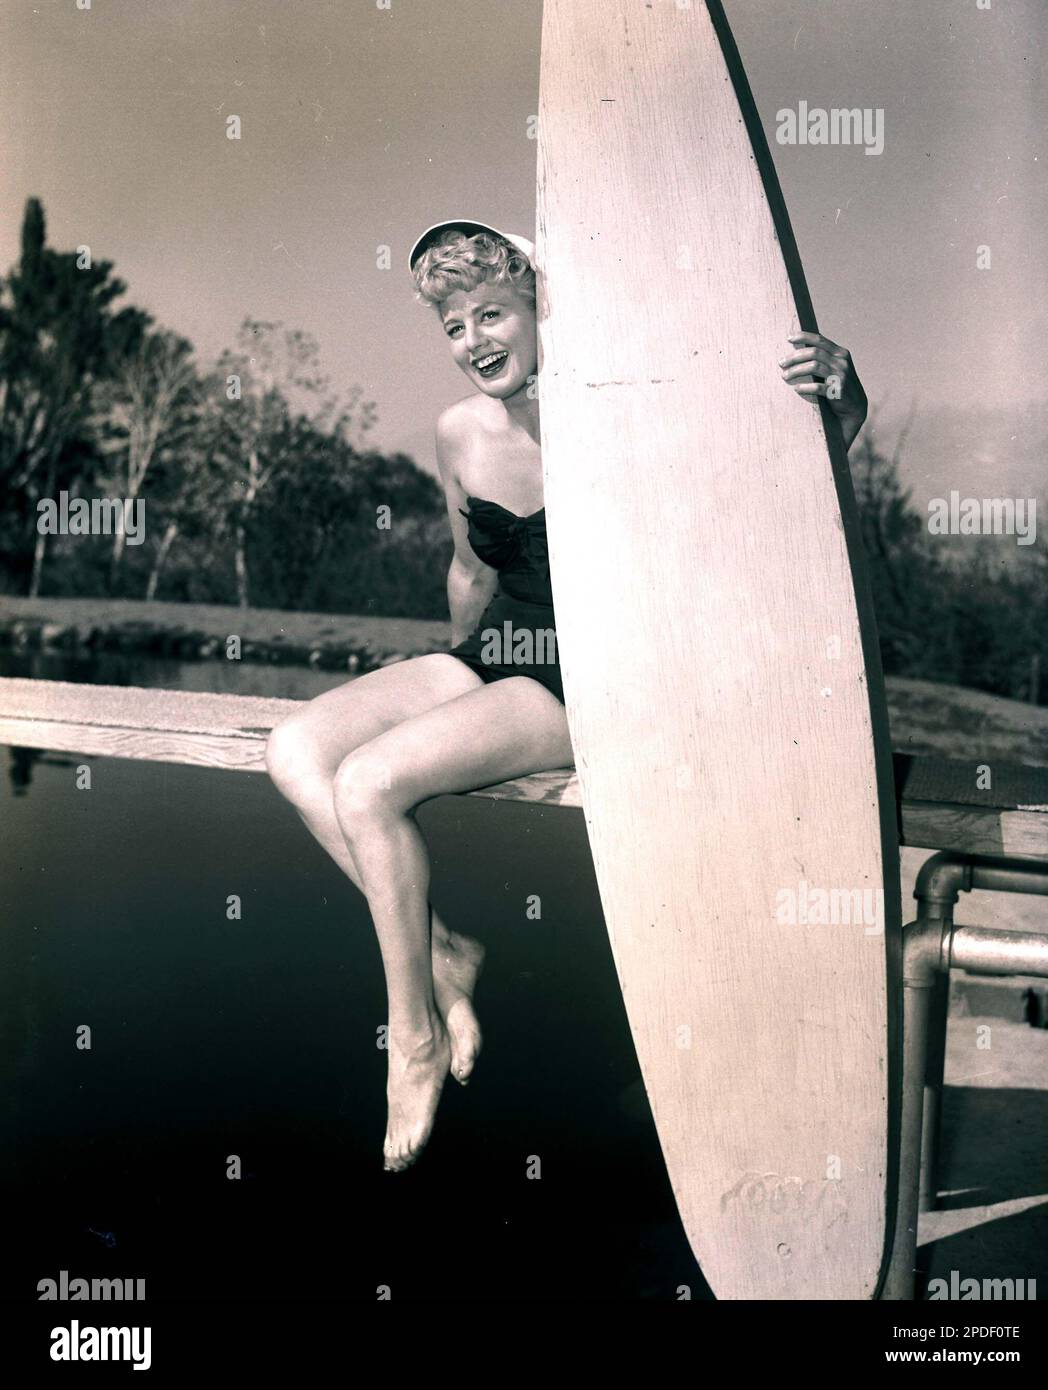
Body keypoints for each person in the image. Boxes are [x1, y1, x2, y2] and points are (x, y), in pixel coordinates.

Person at [264, 218, 870, 1173]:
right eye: (455, 326)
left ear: (544, 308)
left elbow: (788, 471)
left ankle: (413, 1034)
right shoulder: (458, 431)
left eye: (493, 313)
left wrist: (843, 393)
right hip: (500, 645)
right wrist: (447, 679)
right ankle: (446, 955)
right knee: (295, 753)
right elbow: (470, 569)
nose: (474, 342)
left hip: (599, 673)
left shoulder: (634, 409)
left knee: (371, 785)